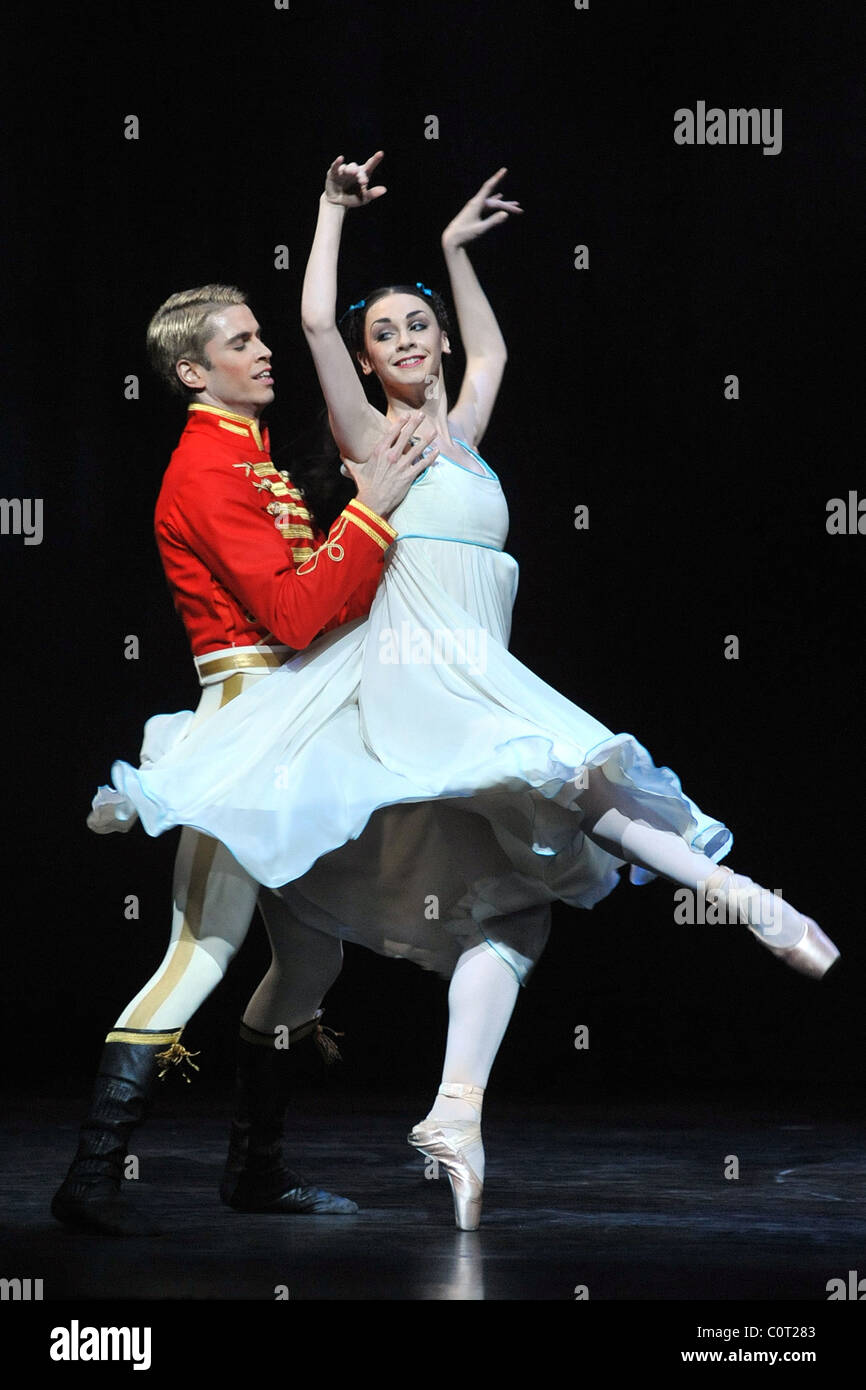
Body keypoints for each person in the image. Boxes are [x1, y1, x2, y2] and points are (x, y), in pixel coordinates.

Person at [95, 154, 841, 1232]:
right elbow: (311, 320)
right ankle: (752, 902)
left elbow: (492, 347)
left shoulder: (465, 437)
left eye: (415, 326)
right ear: (362, 365)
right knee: (573, 775)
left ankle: (452, 1112)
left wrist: (451, 251)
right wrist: (328, 208)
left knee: (515, 906)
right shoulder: (376, 437)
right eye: (381, 334)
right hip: (416, 675)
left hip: (473, 675)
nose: (403, 341)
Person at [52, 282, 435, 1236]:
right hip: (248, 728)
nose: (265, 352)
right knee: (199, 954)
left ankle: (257, 1172)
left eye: (263, 335)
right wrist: (373, 512)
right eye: (242, 342)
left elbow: (316, 609)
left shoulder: (247, 456)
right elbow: (297, 614)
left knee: (307, 965)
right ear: (194, 372)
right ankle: (90, 1178)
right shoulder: (205, 470)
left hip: (294, 722)